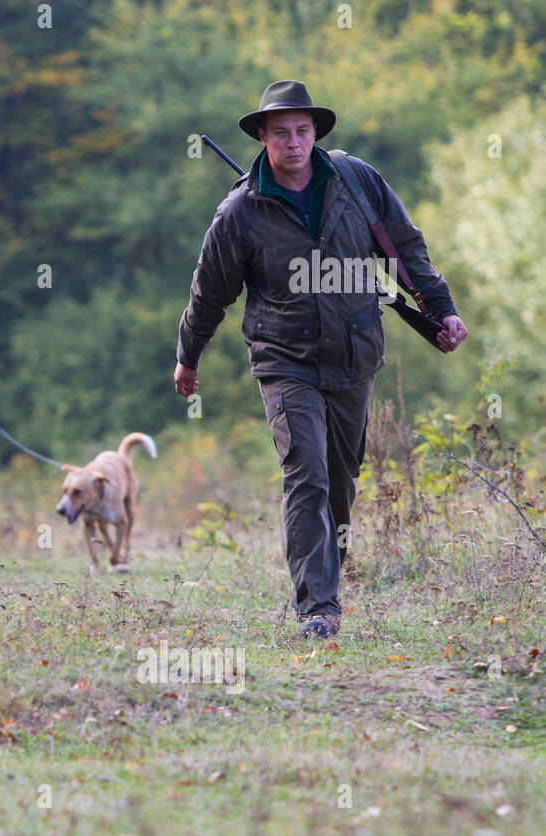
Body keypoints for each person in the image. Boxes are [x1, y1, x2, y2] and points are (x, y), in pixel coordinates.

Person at [173, 80, 468, 638]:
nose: (292, 142)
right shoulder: (240, 211)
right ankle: (318, 608)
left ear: (316, 133)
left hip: (355, 354)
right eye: (280, 132)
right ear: (262, 137)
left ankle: (334, 559)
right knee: (304, 472)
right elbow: (209, 291)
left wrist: (443, 308)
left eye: (302, 130)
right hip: (284, 361)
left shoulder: (355, 180)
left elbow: (405, 247)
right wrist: (189, 355)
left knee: (339, 478)